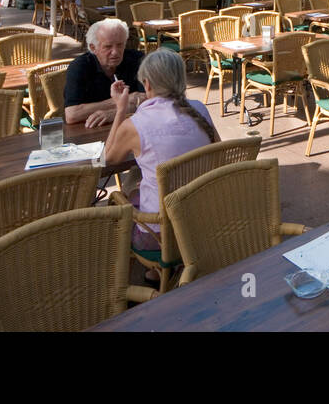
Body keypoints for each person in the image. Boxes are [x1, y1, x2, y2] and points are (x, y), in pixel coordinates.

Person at [102, 49, 219, 256]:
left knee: (123, 199)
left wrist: (120, 108)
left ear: (146, 84)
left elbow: (108, 159)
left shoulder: (136, 124)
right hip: (201, 221)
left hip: (159, 232)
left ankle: (153, 273)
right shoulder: (200, 109)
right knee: (138, 183)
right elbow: (217, 151)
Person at [64, 18, 146, 126]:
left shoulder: (137, 60)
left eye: (120, 45)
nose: (115, 52)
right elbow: (72, 114)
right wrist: (122, 100)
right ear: (93, 48)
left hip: (131, 127)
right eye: (108, 46)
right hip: (89, 131)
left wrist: (115, 113)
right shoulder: (80, 67)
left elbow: (149, 101)